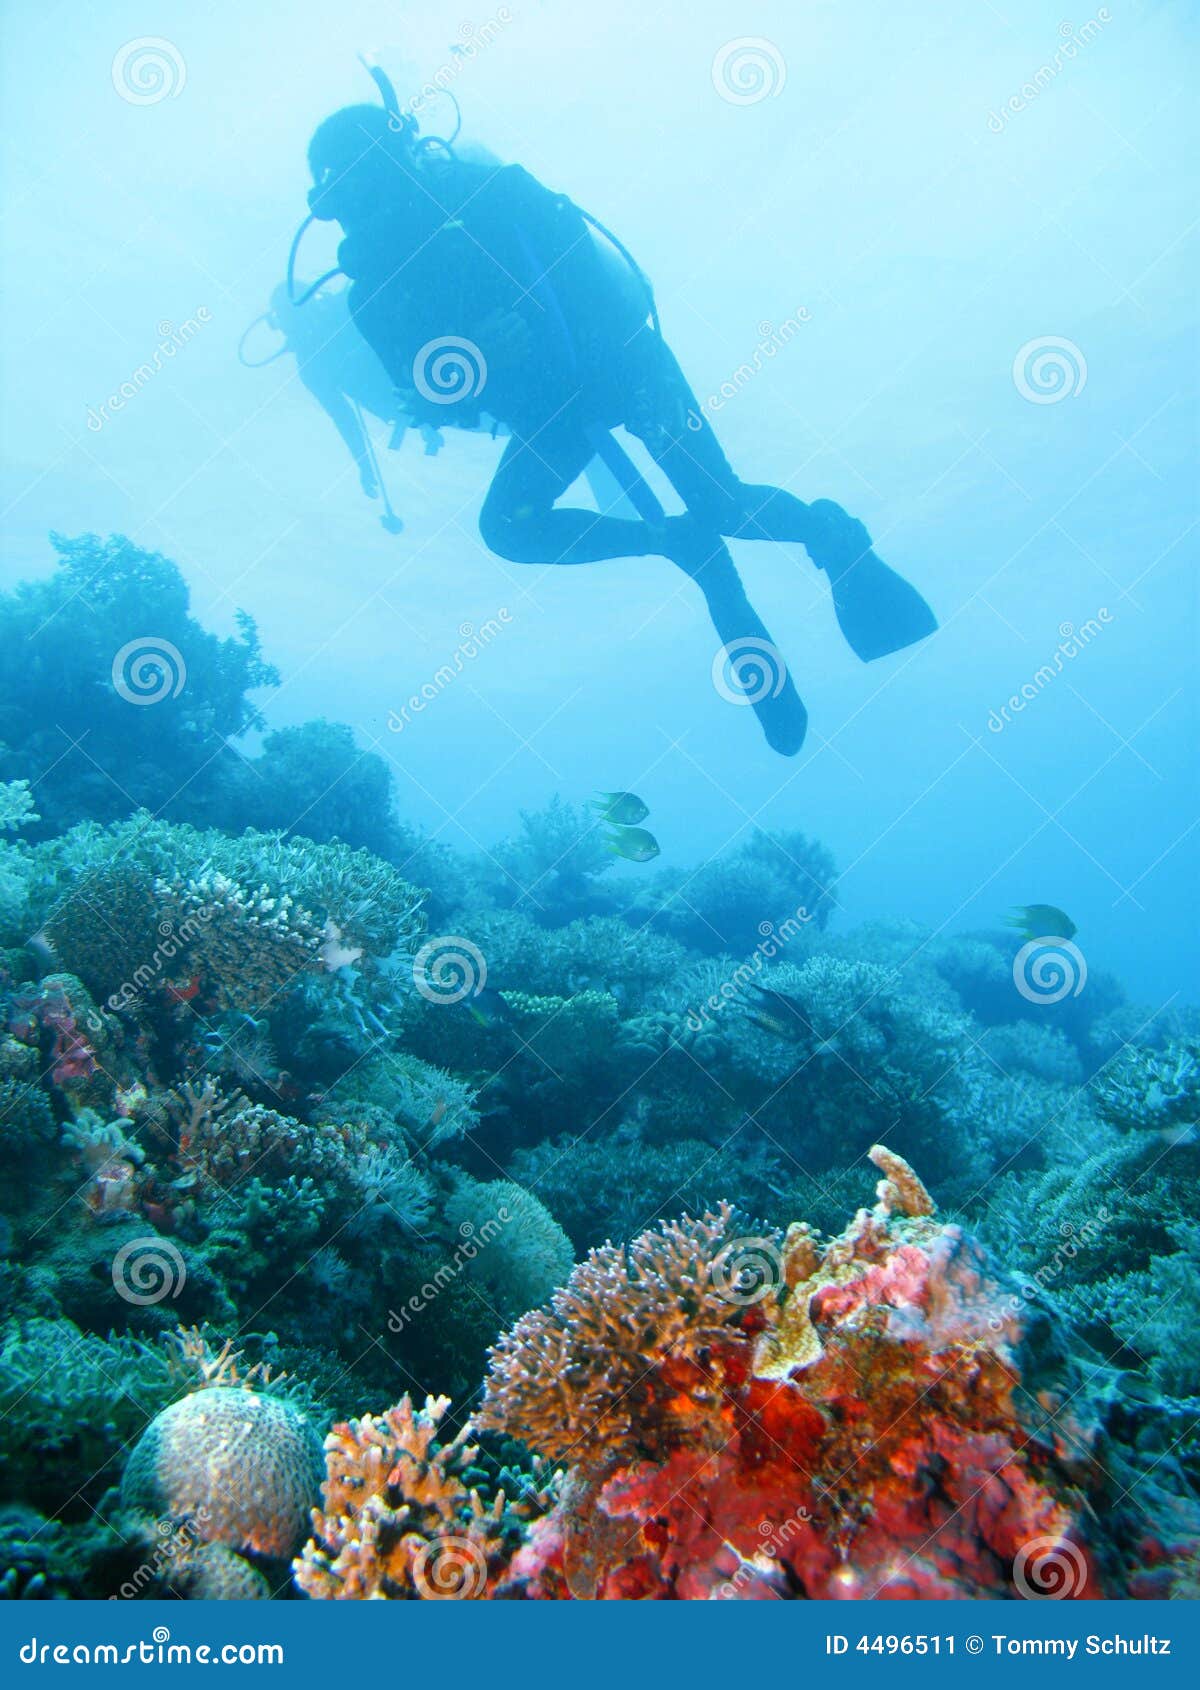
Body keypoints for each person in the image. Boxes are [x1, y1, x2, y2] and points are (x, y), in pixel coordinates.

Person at [301, 99, 936, 753]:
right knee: (506, 528)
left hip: (626, 368)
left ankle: (832, 537)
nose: (361, 216)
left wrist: (516, 341)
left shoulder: (494, 193)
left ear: (401, 165)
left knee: (723, 503)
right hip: (553, 416)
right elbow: (425, 401)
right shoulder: (372, 295)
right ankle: (676, 545)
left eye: (365, 189)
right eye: (344, 203)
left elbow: (587, 277)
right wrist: (472, 364)